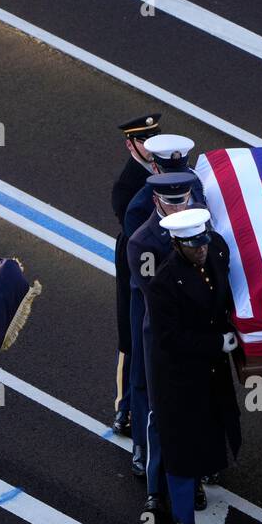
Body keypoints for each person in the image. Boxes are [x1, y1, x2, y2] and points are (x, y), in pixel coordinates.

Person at [144, 209, 242, 524]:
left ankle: (200, 481)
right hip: (179, 379)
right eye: (193, 245)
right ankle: (184, 521)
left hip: (209, 371)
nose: (201, 249)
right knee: (182, 450)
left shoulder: (212, 253)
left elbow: (223, 296)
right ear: (176, 244)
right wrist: (218, 342)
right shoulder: (164, 285)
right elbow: (170, 338)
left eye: (203, 242)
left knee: (210, 433)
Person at [127, 172, 194, 501]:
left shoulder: (199, 232)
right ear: (157, 202)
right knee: (159, 412)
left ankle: (192, 480)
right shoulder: (144, 241)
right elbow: (156, 293)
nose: (179, 208)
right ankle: (155, 485)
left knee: (197, 410)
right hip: (162, 335)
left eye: (183, 200)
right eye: (172, 203)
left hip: (195, 334)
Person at [110, 113, 162, 436]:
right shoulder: (126, 185)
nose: (150, 144)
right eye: (143, 139)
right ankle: (125, 406)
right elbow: (134, 229)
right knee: (130, 335)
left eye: (154, 136)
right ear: (131, 145)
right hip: (134, 259)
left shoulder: (164, 168)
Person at [122, 134, 203, 238]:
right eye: (169, 175)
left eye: (182, 174)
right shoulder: (138, 210)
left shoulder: (196, 181)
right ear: (154, 167)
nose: (179, 181)